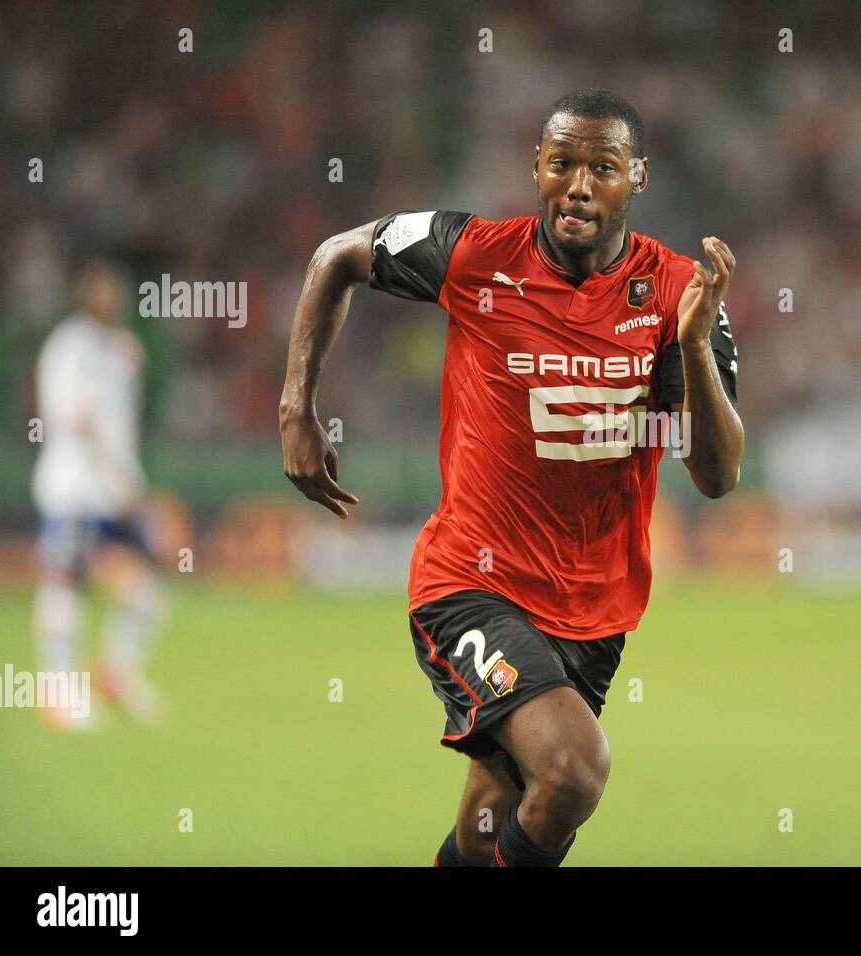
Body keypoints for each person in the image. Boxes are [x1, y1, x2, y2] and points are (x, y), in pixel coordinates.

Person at [279, 89, 743, 865]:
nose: (580, 186)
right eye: (562, 164)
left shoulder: (677, 294)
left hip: (595, 609)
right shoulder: (472, 252)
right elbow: (337, 257)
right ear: (536, 167)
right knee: (573, 770)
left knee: (492, 818)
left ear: (638, 177)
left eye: (604, 167)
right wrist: (297, 408)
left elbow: (719, 475)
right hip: (471, 583)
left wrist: (692, 348)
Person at [32, 259, 168, 730]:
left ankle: (114, 672)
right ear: (86, 295)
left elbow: (119, 422)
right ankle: (56, 691)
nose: (113, 298)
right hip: (74, 487)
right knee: (64, 581)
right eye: (104, 290)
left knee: (148, 589)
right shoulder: (68, 348)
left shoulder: (121, 348)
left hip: (115, 489)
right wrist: (118, 478)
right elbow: (78, 420)